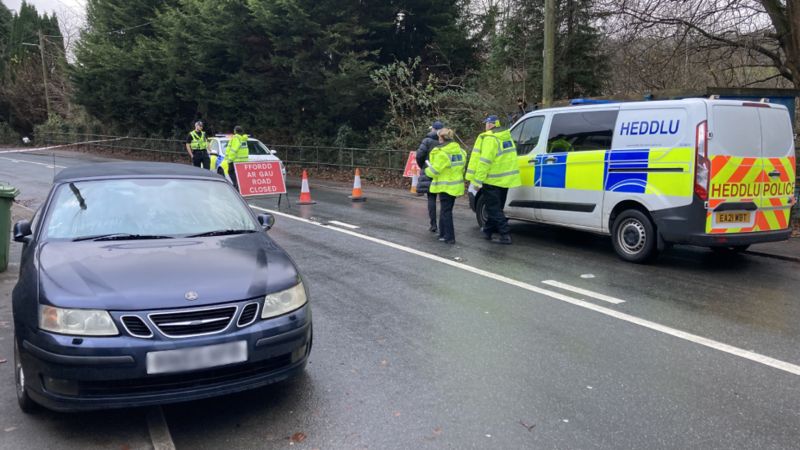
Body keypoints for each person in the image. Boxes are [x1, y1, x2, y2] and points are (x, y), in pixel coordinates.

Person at [469, 115, 521, 245]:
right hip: (505, 179)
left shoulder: (490, 139)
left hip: (492, 180)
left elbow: (485, 161)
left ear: (490, 124)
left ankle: (505, 234)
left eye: (486, 123)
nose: (485, 126)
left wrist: (477, 181)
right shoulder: (506, 136)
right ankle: (488, 230)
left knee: (493, 208)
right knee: (497, 207)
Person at [424, 128, 466, 244]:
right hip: (456, 185)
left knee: (446, 212)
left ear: (442, 138)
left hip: (445, 186)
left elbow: (435, 171)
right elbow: (461, 168)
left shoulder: (442, 153)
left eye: (439, 137)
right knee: (446, 210)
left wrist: (427, 170)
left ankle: (449, 237)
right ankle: (443, 234)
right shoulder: (460, 151)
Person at [416, 120, 444, 233]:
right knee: (443, 200)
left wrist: (423, 166)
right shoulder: (445, 141)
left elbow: (419, 156)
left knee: (431, 198)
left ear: (433, 129)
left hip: (429, 171)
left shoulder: (427, 141)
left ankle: (433, 224)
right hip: (442, 173)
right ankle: (443, 225)